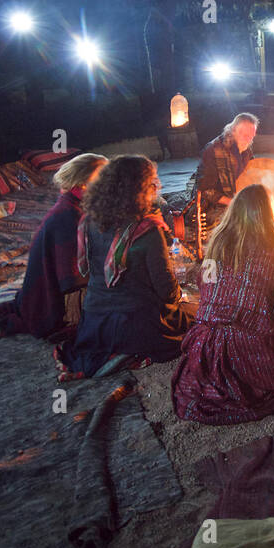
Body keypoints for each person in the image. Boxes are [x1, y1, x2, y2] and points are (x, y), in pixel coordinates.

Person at [171, 184, 274, 423]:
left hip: (207, 349)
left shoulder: (219, 242)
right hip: (253, 350)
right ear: (269, 212)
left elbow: (206, 289)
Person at [59, 155, 193, 381]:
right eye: (153, 181)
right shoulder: (148, 230)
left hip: (94, 322)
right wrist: (180, 295)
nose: (156, 186)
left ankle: (114, 354)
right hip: (136, 325)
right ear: (143, 188)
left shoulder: (90, 220)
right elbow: (166, 290)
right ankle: (130, 353)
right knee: (194, 319)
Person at [0, 153, 107, 340]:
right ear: (83, 181)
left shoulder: (78, 203)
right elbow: (73, 278)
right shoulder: (68, 215)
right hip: (55, 297)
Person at [188, 112, 258, 222]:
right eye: (246, 136)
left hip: (238, 199)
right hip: (213, 205)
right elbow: (205, 190)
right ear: (234, 130)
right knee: (243, 221)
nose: (249, 140)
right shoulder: (213, 151)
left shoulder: (246, 150)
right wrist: (233, 202)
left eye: (251, 137)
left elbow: (254, 172)